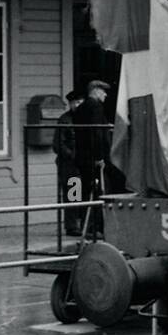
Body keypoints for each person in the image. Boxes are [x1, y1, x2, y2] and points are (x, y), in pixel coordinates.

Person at [72, 79, 112, 236]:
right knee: (99, 191)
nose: (105, 94)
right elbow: (95, 133)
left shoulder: (81, 109)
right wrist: (99, 156)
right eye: (103, 91)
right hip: (94, 157)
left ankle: (87, 226)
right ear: (95, 91)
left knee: (86, 191)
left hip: (83, 157)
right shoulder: (95, 106)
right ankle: (95, 228)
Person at [53, 90, 85, 237]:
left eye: (80, 102)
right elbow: (58, 145)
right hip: (70, 165)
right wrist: (73, 155)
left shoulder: (84, 119)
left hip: (81, 163)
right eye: (76, 102)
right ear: (70, 104)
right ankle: (72, 226)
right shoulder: (64, 120)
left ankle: (83, 224)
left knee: (82, 193)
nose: (78, 105)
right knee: (73, 194)